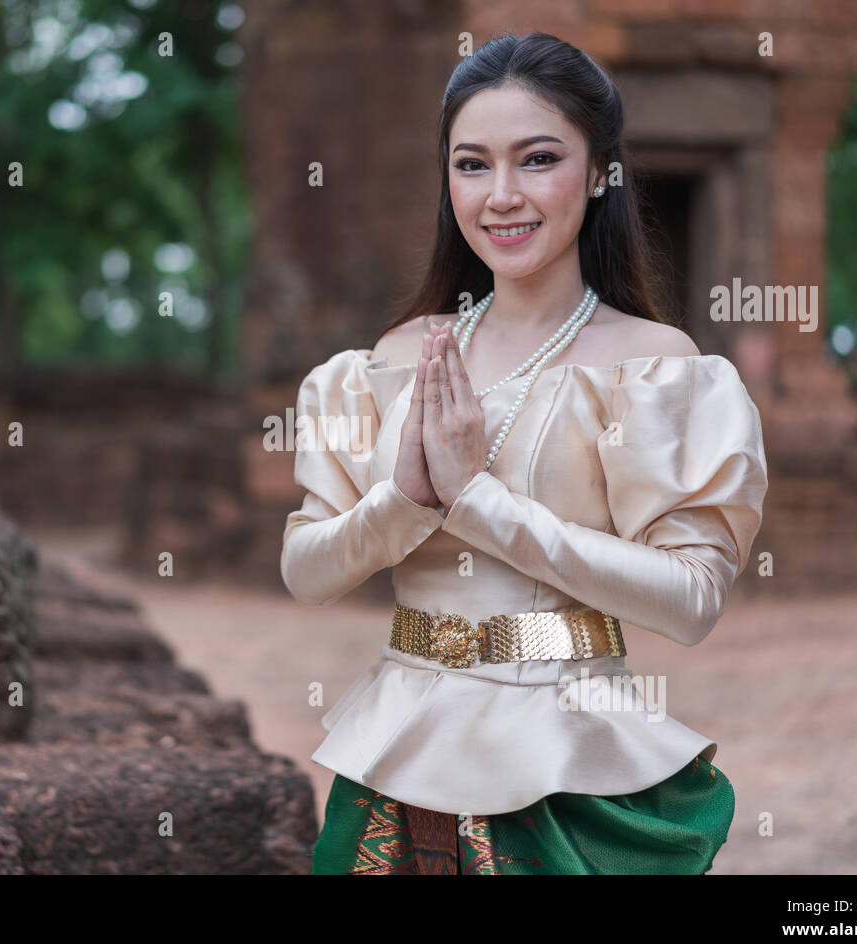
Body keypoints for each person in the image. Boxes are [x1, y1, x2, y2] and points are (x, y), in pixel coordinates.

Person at [280, 31, 768, 874]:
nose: (501, 195)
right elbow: (306, 570)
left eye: (537, 159)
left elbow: (693, 601)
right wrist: (405, 501)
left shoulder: (655, 369)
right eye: (472, 164)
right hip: (397, 755)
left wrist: (478, 502)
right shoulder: (385, 364)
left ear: (602, 170)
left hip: (570, 765)